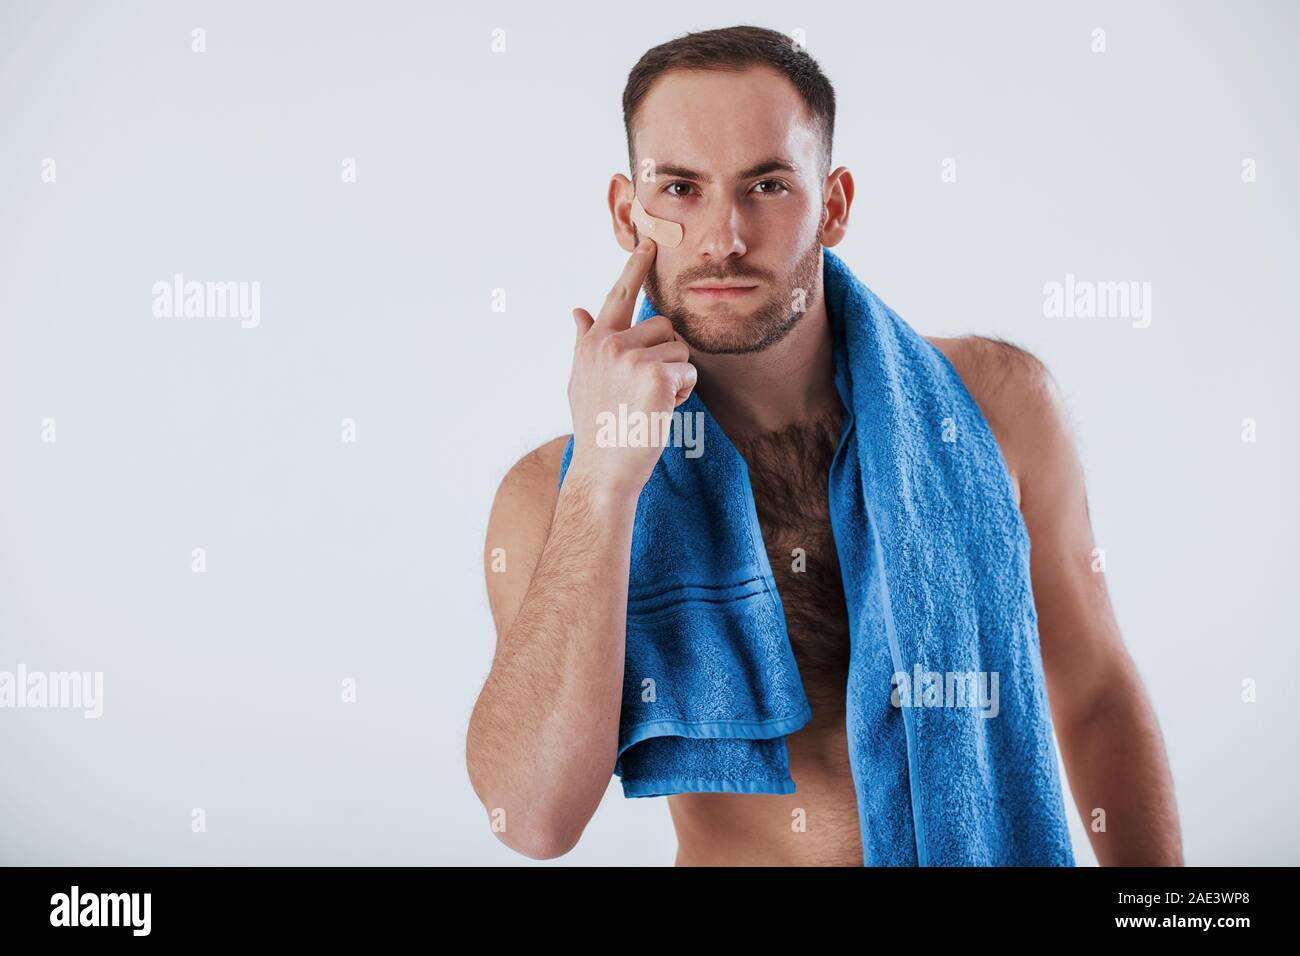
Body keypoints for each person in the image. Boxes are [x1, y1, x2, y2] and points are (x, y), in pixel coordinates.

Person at [467, 25, 1183, 866]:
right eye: (681, 189)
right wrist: (605, 477)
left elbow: (1095, 689)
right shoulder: (550, 495)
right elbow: (533, 820)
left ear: (834, 205)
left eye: (766, 184)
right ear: (629, 213)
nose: (723, 235)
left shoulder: (995, 407)